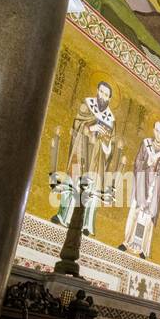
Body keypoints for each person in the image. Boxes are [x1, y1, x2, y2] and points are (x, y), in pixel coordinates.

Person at [53, 81, 118, 235]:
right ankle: (64, 216)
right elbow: (76, 124)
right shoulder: (87, 105)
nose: (102, 96)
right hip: (80, 153)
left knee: (91, 190)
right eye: (101, 92)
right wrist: (91, 127)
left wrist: (105, 140)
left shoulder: (111, 118)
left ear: (109, 98)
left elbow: (112, 144)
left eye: (106, 95)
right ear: (97, 91)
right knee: (73, 184)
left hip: (96, 160)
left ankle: (86, 225)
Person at [121, 120, 160, 258]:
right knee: (135, 213)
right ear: (154, 131)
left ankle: (143, 249)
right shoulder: (146, 144)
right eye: (158, 131)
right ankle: (127, 241)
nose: (159, 135)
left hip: (153, 190)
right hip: (142, 185)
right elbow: (137, 162)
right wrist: (147, 163)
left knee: (147, 218)